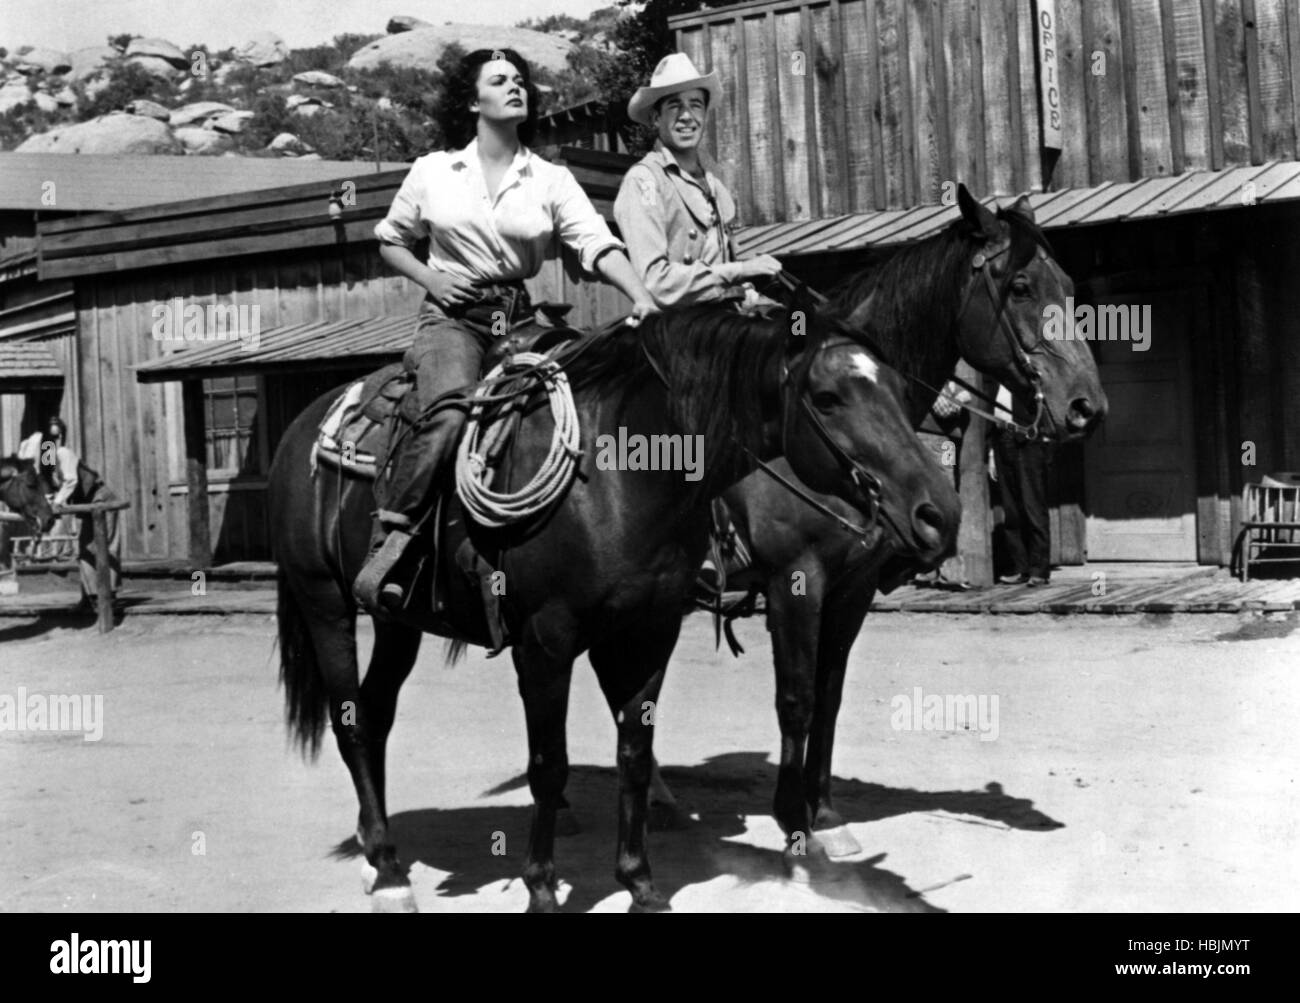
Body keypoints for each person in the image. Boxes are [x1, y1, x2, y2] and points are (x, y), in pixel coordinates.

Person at [354, 48, 658, 615]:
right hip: (452, 318)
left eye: (521, 80)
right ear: (473, 101)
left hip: (521, 319)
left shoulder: (549, 178)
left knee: (592, 404)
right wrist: (433, 280)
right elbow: (390, 241)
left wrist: (641, 295)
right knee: (448, 413)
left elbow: (595, 243)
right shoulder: (433, 171)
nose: (516, 87)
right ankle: (397, 540)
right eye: (500, 81)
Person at [613, 53, 783, 310]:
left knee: (802, 326)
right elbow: (654, 283)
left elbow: (723, 260)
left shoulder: (712, 177)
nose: (686, 116)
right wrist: (739, 271)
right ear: (656, 118)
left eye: (695, 104)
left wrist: (755, 294)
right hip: (682, 330)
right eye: (674, 106)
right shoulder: (644, 180)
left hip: (728, 318)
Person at [991, 385, 1052, 586]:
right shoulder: (993, 377)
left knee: (1033, 505)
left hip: (1029, 441)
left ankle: (1039, 570)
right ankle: (1019, 567)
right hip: (1002, 441)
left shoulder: (1029, 376)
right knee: (1011, 509)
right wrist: (991, 453)